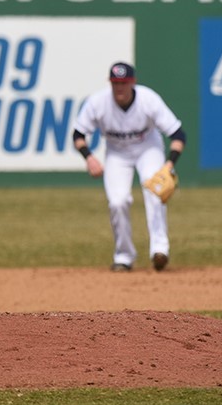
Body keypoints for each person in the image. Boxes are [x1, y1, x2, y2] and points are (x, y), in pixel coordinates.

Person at [72, 62, 185, 272]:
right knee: (117, 202)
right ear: (110, 83)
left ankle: (160, 250)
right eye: (115, 83)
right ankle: (123, 256)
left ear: (132, 82)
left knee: (155, 190)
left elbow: (178, 134)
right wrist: (89, 158)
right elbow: (78, 134)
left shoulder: (148, 99)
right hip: (117, 153)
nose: (119, 87)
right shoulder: (98, 102)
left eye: (124, 83)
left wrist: (169, 164)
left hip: (148, 148)